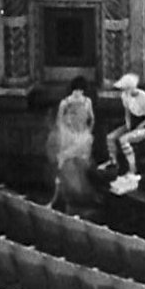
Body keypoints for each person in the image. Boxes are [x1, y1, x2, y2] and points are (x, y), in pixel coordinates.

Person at [48, 76, 95, 208]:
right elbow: (59, 122)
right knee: (63, 163)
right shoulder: (64, 103)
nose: (78, 93)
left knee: (80, 163)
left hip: (83, 136)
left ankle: (79, 196)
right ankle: (61, 196)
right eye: (75, 90)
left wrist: (87, 132)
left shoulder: (87, 101)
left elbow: (92, 118)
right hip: (67, 137)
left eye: (80, 91)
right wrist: (67, 134)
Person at [107, 73, 145, 189]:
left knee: (124, 139)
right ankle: (114, 163)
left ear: (132, 87)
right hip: (132, 124)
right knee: (110, 137)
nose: (125, 91)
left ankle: (132, 168)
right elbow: (127, 112)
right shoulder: (124, 96)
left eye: (126, 88)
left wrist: (138, 127)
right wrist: (128, 125)